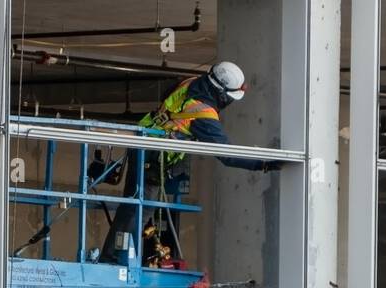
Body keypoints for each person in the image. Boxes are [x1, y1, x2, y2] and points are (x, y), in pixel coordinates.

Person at [103, 61, 282, 264]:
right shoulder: (203, 115)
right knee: (140, 210)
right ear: (221, 93)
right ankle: (116, 259)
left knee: (134, 207)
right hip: (152, 154)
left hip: (145, 137)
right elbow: (228, 155)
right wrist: (263, 163)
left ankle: (113, 256)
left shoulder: (190, 82)